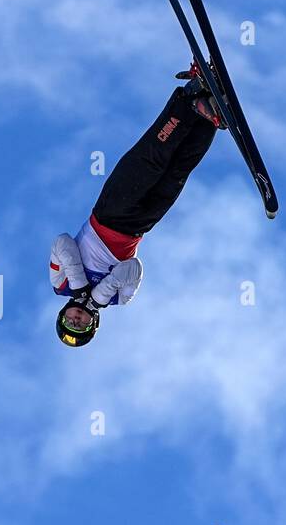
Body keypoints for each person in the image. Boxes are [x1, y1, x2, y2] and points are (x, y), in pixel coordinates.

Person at [51, 62, 224, 347]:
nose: (76, 320)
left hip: (109, 213)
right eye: (81, 325)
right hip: (139, 226)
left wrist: (80, 286)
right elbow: (132, 268)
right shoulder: (119, 297)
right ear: (93, 323)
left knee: (152, 158)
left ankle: (191, 93)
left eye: (70, 321)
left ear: (63, 313)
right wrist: (97, 297)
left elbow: (62, 243)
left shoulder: (61, 284)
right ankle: (209, 117)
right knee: (176, 173)